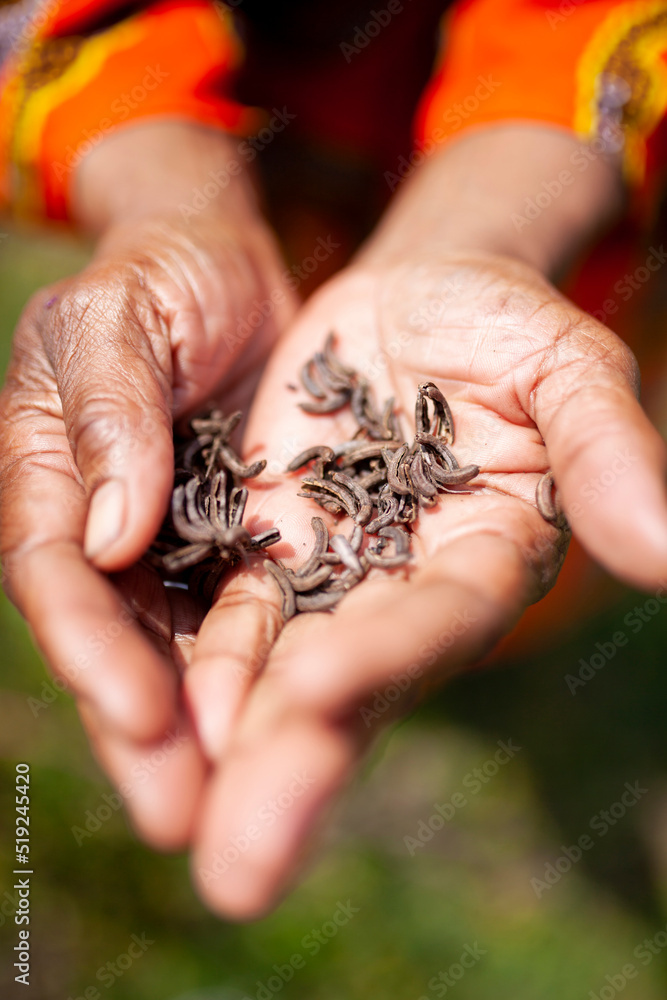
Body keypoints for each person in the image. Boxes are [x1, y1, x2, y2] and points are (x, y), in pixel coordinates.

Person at [1, 0, 667, 920]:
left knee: (516, 539)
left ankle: (478, 665)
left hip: (533, 241)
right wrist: (167, 200)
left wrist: (491, 223)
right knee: (418, 596)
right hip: (267, 220)